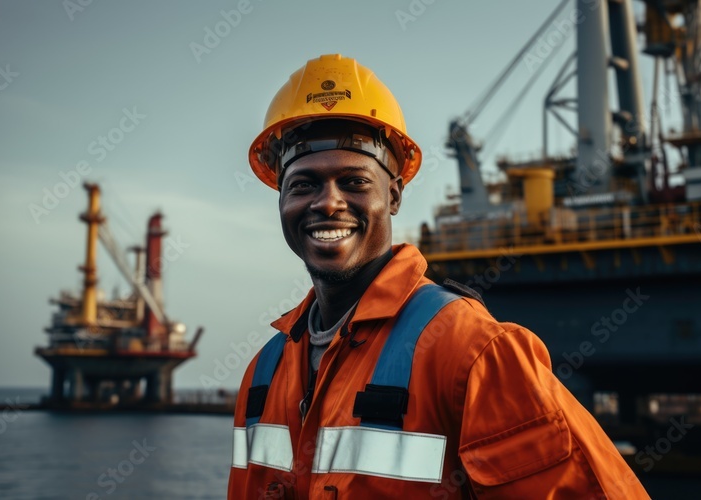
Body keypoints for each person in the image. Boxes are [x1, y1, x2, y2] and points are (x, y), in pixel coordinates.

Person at [228, 54, 649, 499]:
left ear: (393, 196)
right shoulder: (264, 371)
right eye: (303, 185)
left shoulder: (473, 351)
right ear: (281, 201)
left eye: (354, 182)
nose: (327, 203)